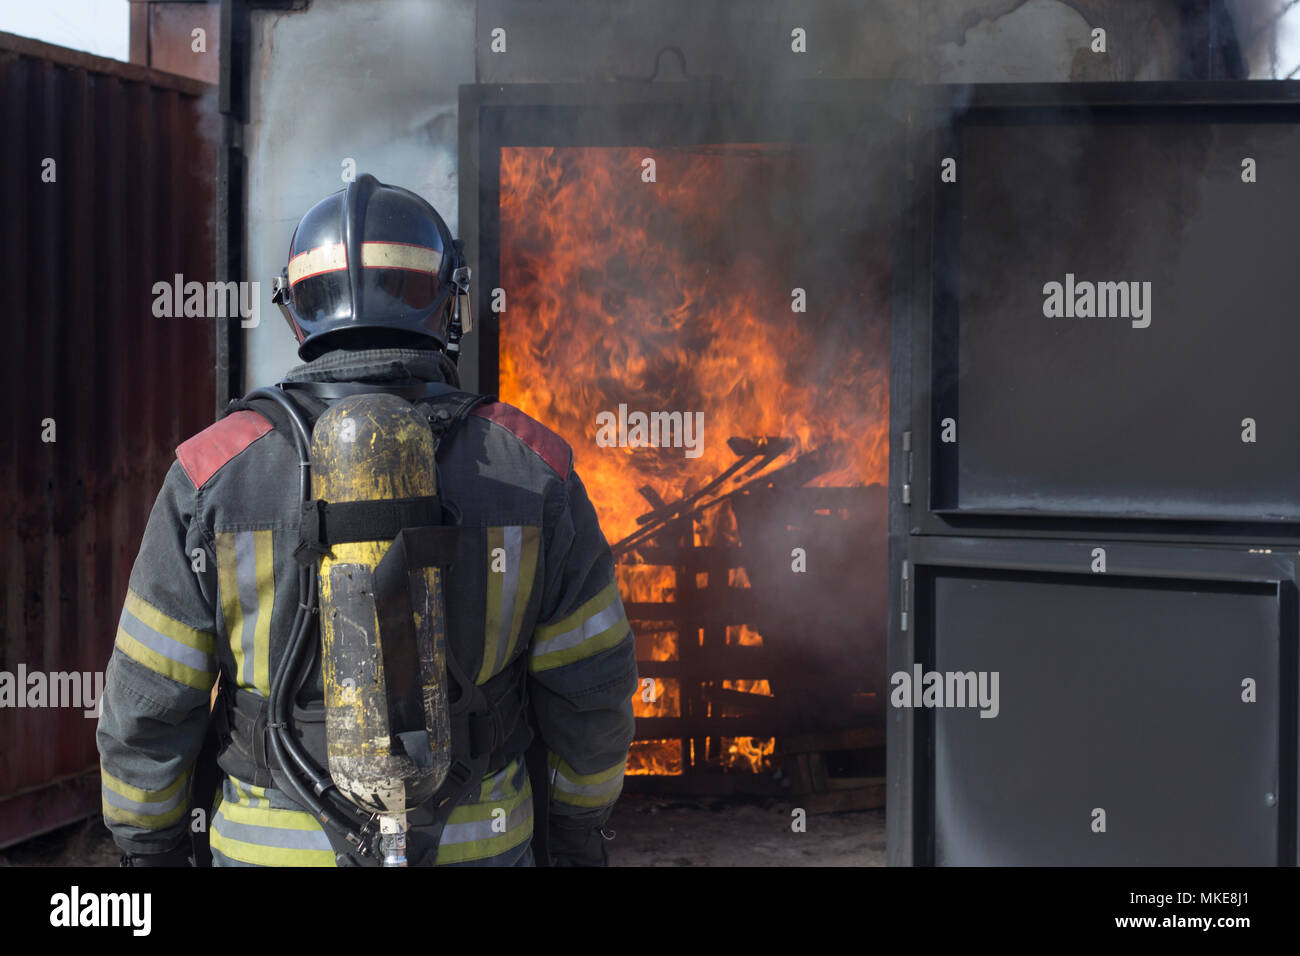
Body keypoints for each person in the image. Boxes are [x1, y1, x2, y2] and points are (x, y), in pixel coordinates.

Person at [96, 174, 637, 866]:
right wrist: (577, 831)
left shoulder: (214, 472)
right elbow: (592, 690)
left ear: (298, 312)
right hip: (479, 848)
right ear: (449, 303)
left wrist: (148, 848)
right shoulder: (533, 470)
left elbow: (148, 700)